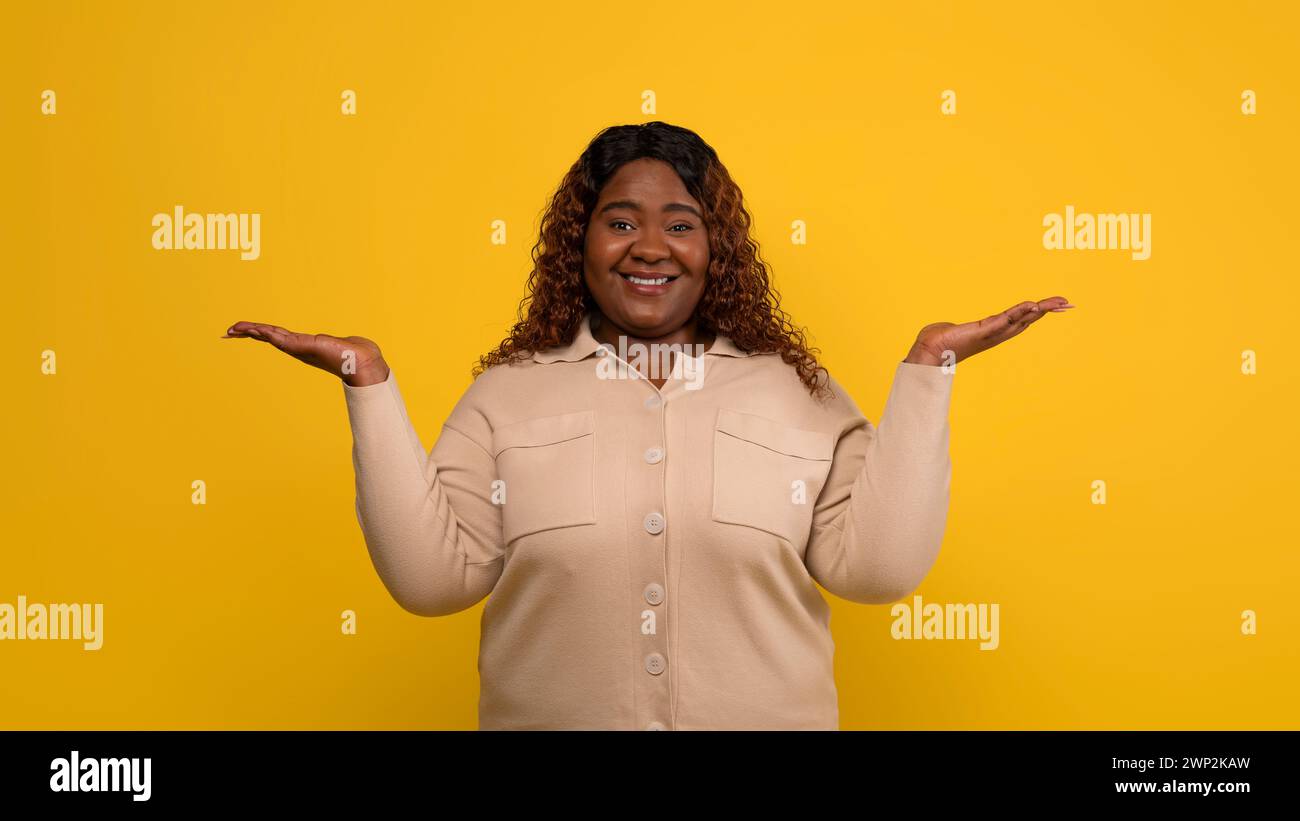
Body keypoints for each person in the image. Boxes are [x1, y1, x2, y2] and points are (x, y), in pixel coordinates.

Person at [224, 121, 1073, 730]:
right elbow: (431, 581)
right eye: (621, 220)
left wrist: (928, 370)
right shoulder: (507, 397)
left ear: (717, 248)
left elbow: (878, 571)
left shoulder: (796, 393)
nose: (650, 246)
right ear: (580, 243)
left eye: (681, 223)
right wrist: (366, 380)